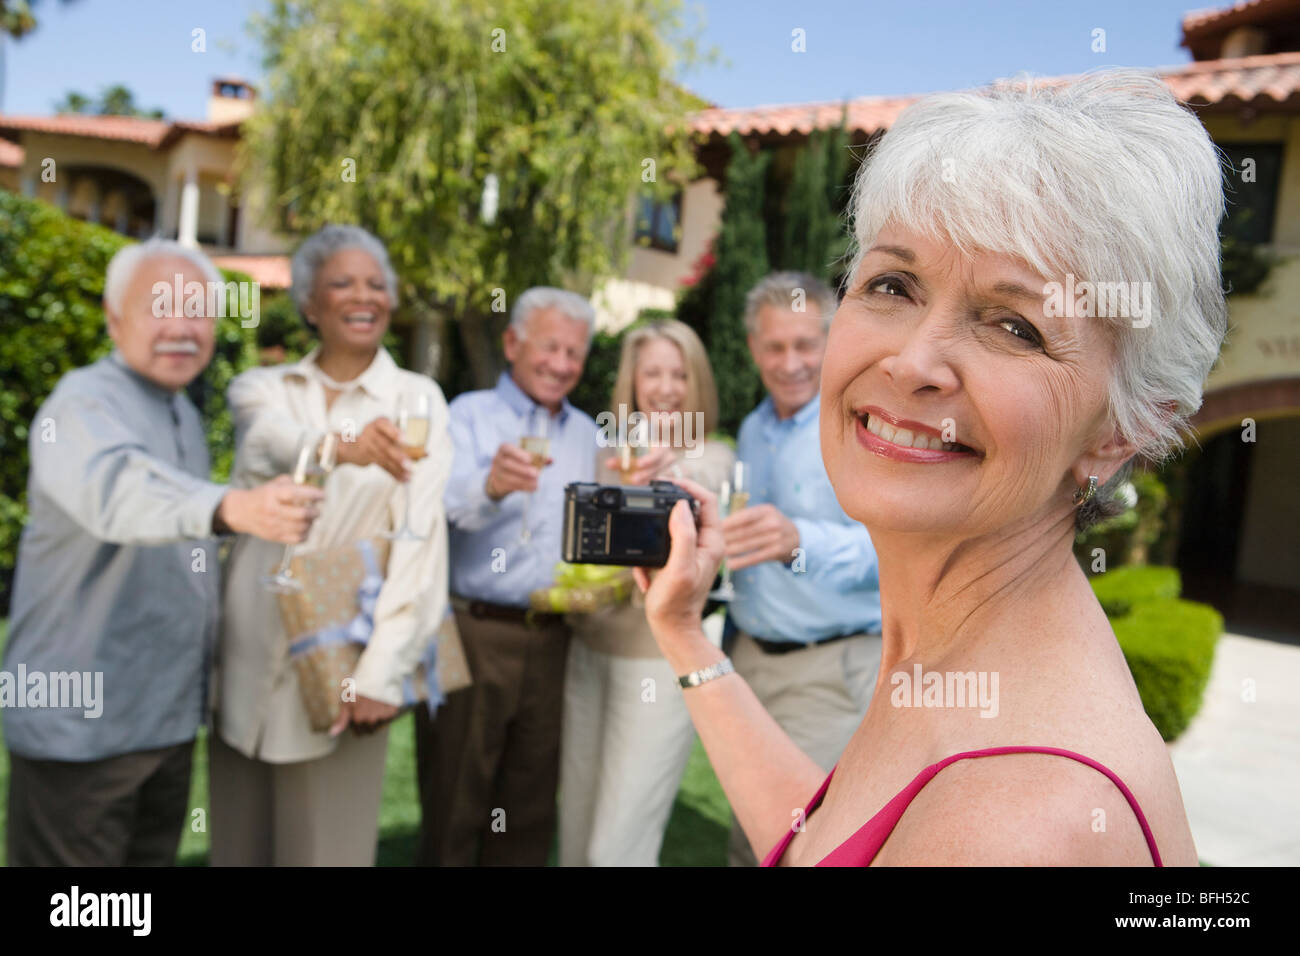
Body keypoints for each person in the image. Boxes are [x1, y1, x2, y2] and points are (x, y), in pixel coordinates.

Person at [635, 70, 1219, 866]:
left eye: (1015, 326)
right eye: (892, 284)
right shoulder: (962, 665)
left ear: (1122, 428)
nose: (914, 362)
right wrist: (685, 637)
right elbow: (824, 842)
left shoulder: (1022, 822)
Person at [3, 239, 318, 866]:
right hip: (80, 735)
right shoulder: (82, 403)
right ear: (113, 317)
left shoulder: (177, 410)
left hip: (160, 726)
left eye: (197, 308)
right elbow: (116, 492)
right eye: (159, 307)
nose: (181, 326)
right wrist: (230, 507)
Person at [209, 225, 452, 866]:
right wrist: (339, 447)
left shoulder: (417, 401)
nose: (363, 296)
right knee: (237, 847)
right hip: (248, 642)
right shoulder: (264, 388)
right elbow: (268, 441)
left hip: (346, 654)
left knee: (329, 851)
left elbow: (420, 544)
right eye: (342, 282)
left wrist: (381, 674)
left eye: (376, 284)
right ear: (310, 304)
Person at [416, 287, 599, 866]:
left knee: (528, 805)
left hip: (554, 637)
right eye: (550, 347)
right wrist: (491, 486)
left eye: (575, 353)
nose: (562, 364)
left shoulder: (588, 434)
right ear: (513, 343)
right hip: (473, 630)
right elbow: (439, 506)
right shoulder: (467, 415)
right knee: (455, 799)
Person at [720, 271, 883, 865]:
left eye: (804, 344)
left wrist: (799, 541)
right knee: (747, 830)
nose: (789, 362)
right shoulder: (753, 429)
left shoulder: (867, 428)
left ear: (832, 342)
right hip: (748, 661)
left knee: (802, 844)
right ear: (753, 350)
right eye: (774, 346)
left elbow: (892, 553)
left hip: (828, 672)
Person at [559, 319, 733, 866]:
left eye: (678, 373)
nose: (664, 386)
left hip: (657, 667)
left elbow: (701, 479)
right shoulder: (610, 451)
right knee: (577, 829)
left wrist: (670, 466)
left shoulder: (713, 458)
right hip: (588, 652)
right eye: (651, 372)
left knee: (620, 845)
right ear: (632, 380)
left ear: (697, 381)